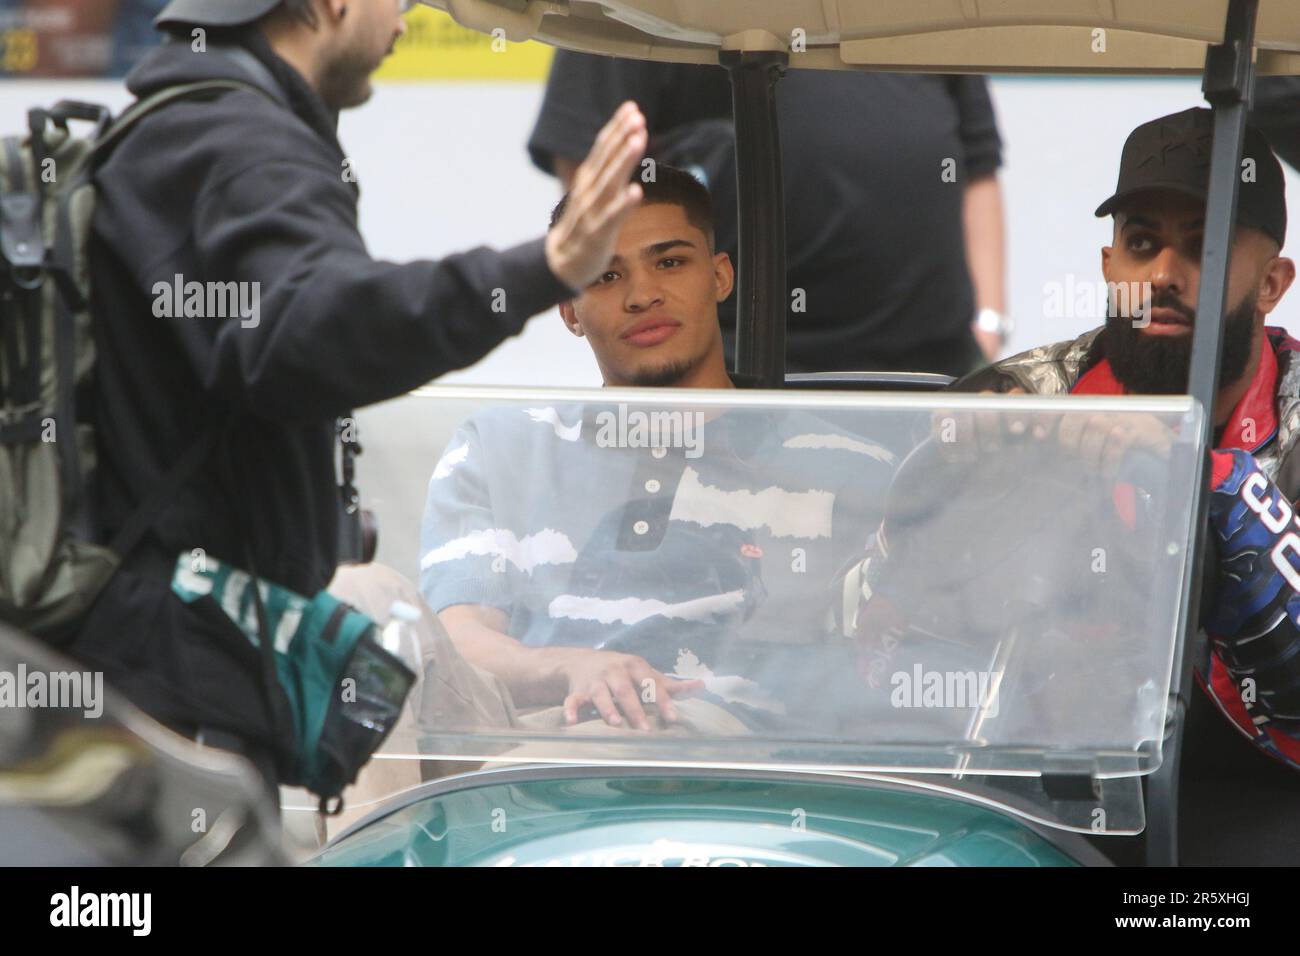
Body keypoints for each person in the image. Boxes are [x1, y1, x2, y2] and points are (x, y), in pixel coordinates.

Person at [70, 0, 649, 790]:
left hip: (154, 656)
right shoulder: (239, 142)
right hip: (178, 683)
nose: (407, 21)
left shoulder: (178, 127)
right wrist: (540, 270)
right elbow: (315, 329)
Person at [419, 166, 898, 730]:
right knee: (364, 604)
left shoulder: (850, 465)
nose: (643, 295)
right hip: (516, 748)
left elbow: (894, 653)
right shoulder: (498, 445)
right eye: (604, 276)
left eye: (669, 263)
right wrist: (574, 667)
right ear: (568, 310)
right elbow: (457, 642)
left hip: (713, 752)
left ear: (720, 277)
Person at [944, 107, 1300, 865]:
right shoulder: (1016, 403)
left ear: (1272, 283)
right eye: (1142, 243)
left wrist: (1212, 486)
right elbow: (884, 621)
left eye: (1202, 245)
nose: (1164, 277)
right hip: (1056, 801)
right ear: (1110, 265)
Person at [527, 52, 1010, 377]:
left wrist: (989, 324)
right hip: (747, 376)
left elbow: (976, 166)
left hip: (938, 370)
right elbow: (591, 168)